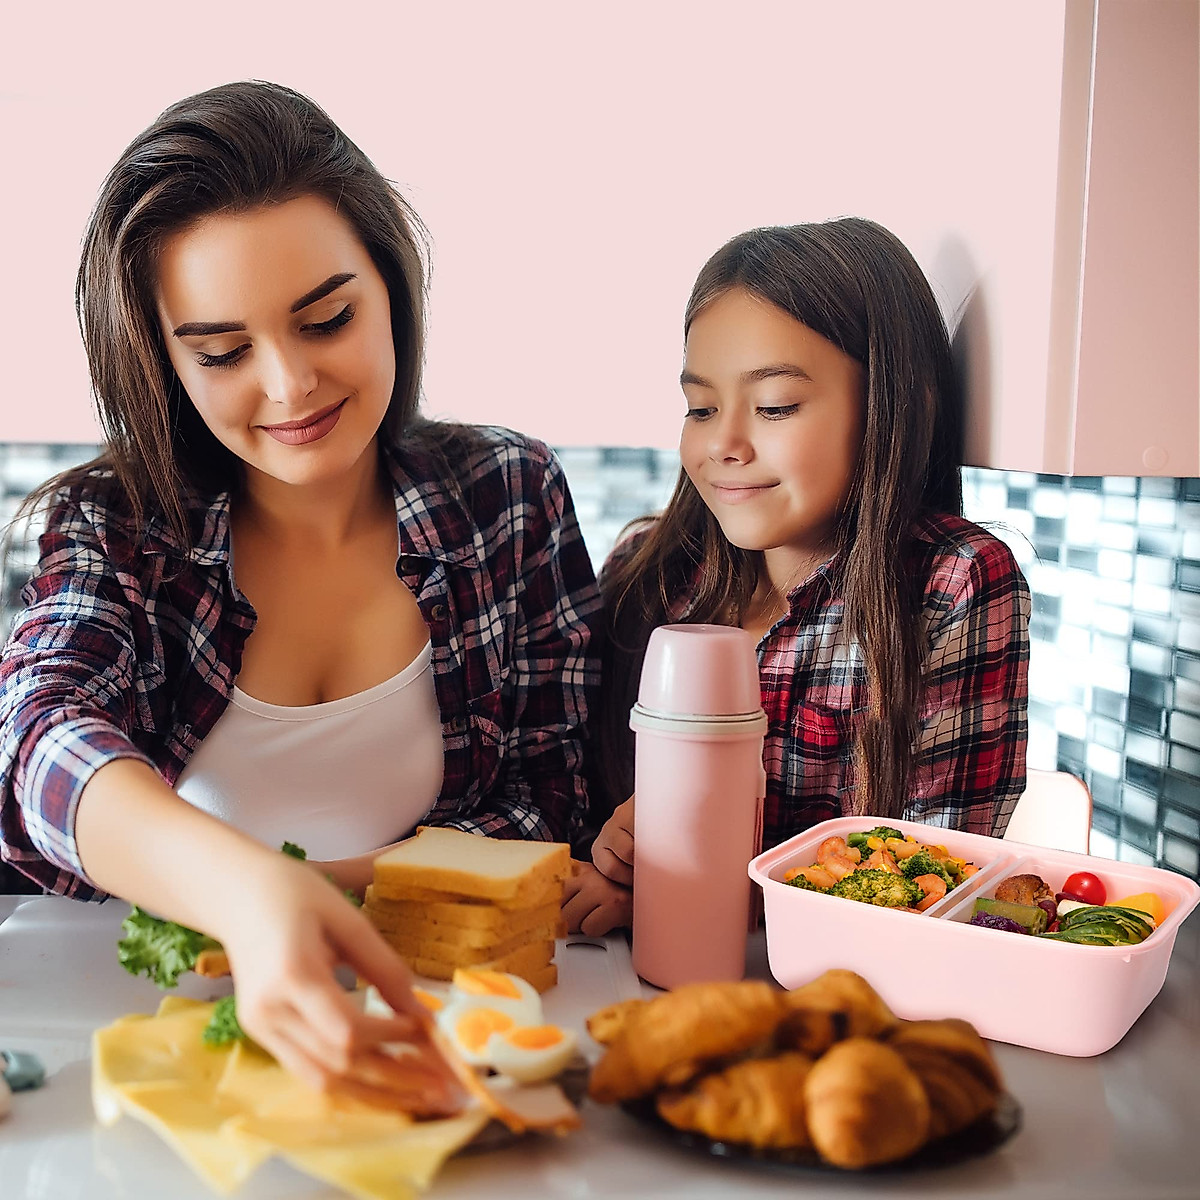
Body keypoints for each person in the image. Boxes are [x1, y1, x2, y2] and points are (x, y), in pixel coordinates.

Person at [0, 81, 600, 1094]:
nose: (288, 385)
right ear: (164, 362)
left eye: (326, 320)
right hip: (138, 1034)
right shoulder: (117, 527)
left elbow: (553, 796)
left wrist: (316, 894)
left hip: (439, 1023)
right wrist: (245, 894)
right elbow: (39, 735)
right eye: (223, 351)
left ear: (391, 288)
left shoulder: (508, 491)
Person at [563, 218, 1030, 937]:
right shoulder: (651, 575)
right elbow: (579, 802)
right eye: (701, 407)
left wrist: (694, 891)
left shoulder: (952, 585)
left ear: (895, 405)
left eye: (775, 406)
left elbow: (934, 885)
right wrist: (613, 855)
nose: (724, 443)